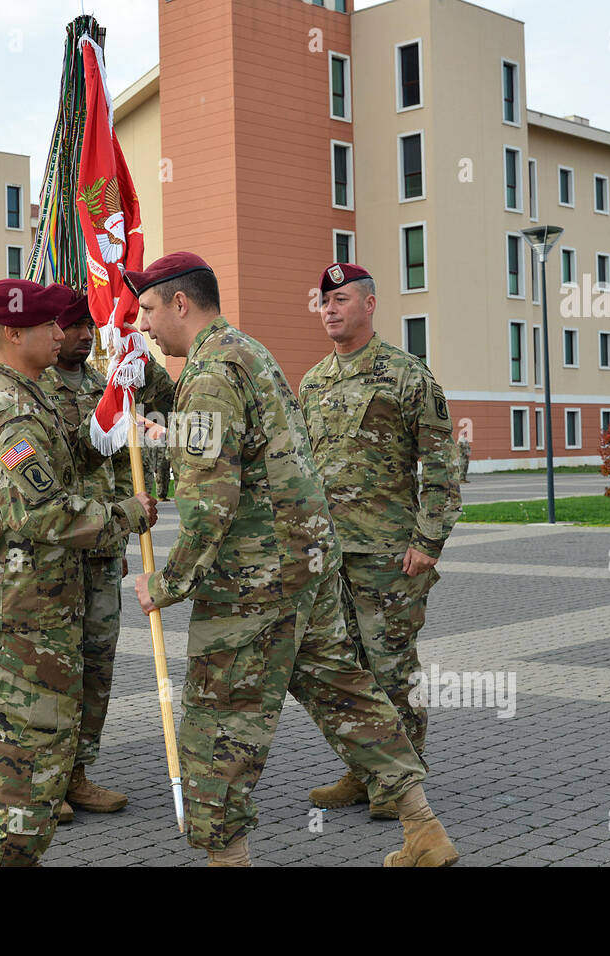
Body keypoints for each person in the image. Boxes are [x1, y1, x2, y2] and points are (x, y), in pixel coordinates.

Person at [130, 252, 458, 868]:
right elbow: (238, 450)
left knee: (220, 715)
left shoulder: (209, 374)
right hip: (308, 561)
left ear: (180, 304)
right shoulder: (246, 354)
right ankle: (423, 827)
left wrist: (167, 582)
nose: (142, 323)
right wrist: (151, 406)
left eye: (148, 309)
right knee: (344, 689)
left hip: (254, 576)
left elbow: (211, 499)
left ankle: (227, 859)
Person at [0, 279, 156, 867]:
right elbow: (39, 512)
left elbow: (65, 455)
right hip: (24, 611)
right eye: (50, 327)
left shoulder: (25, 393)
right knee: (31, 755)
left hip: (19, 602)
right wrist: (125, 513)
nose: (62, 334)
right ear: (16, 334)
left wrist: (115, 409)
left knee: (6, 742)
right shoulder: (12, 412)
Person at [300, 263, 462, 819]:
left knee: (392, 668)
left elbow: (442, 464)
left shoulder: (406, 375)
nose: (329, 308)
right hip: (330, 555)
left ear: (369, 304)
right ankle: (364, 769)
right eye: (324, 300)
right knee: (346, 670)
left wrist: (429, 540)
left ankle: (403, 786)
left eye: (341, 298)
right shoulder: (313, 381)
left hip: (391, 555)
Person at [38, 291, 175, 817]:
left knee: (97, 662)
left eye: (85, 325)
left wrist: (120, 532)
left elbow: (122, 466)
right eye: (70, 326)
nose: (79, 335)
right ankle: (45, 778)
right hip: (55, 553)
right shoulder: (37, 391)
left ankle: (78, 772)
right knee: (55, 665)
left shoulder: (108, 386)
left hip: (101, 549)